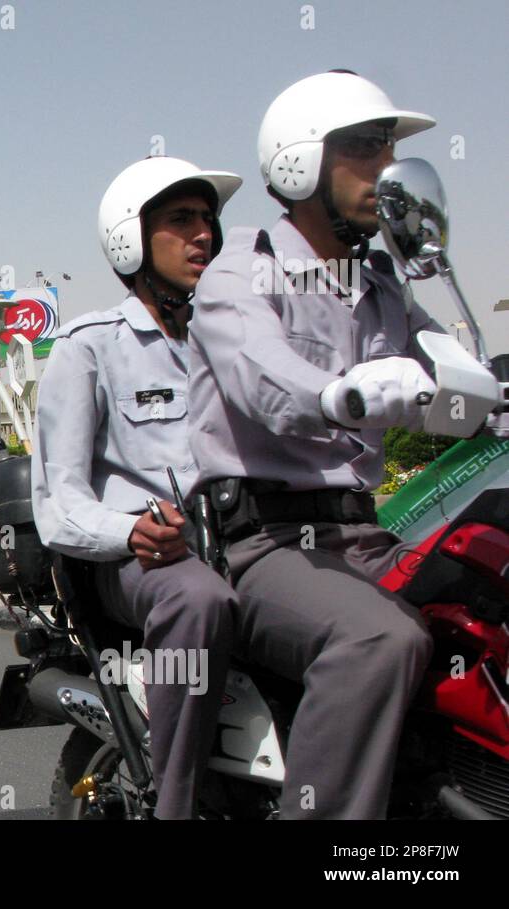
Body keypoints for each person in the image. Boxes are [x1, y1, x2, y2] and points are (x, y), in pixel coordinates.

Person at [187, 70, 441, 818]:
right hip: (264, 541)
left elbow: (444, 369)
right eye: (364, 148)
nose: (384, 167)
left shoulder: (384, 283)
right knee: (378, 640)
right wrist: (340, 392)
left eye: (388, 149)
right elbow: (263, 374)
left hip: (361, 531)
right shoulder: (244, 268)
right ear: (302, 161)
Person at [32, 156, 243, 819]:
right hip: (136, 564)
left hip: (233, 543)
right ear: (132, 239)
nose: (203, 233)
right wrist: (131, 530)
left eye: (208, 219)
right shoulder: (90, 347)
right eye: (181, 220)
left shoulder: (232, 341)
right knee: (197, 598)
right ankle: (174, 805)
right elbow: (57, 505)